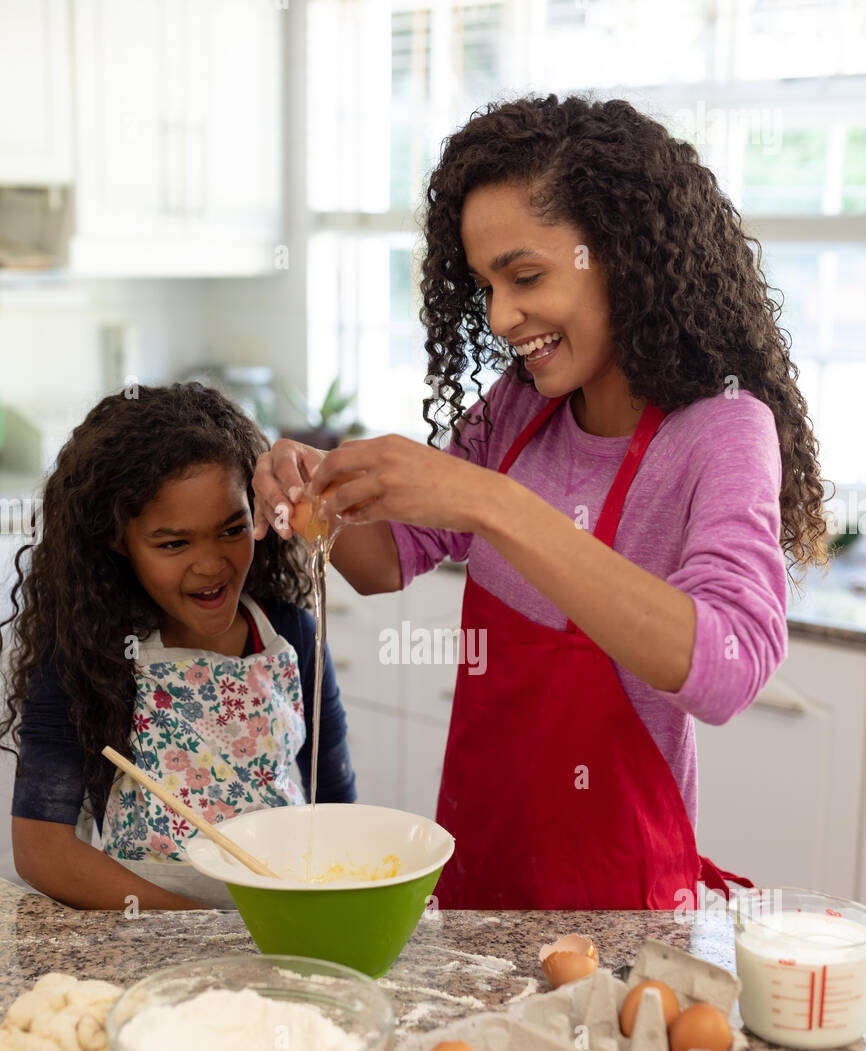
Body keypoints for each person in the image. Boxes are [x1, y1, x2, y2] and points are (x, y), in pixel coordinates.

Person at [251, 94, 829, 911]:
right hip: (479, 875)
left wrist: (491, 503)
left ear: (621, 257)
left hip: (619, 906)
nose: (500, 316)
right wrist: (312, 494)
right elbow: (384, 563)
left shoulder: (722, 431)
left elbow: (727, 667)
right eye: (485, 284)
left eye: (525, 277)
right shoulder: (521, 409)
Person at [2, 382, 355, 910]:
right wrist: (197, 927)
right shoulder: (87, 650)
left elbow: (338, 813)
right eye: (173, 543)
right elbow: (43, 850)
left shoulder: (293, 637)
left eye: (232, 530)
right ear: (118, 539)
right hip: (148, 942)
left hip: (284, 929)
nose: (210, 564)